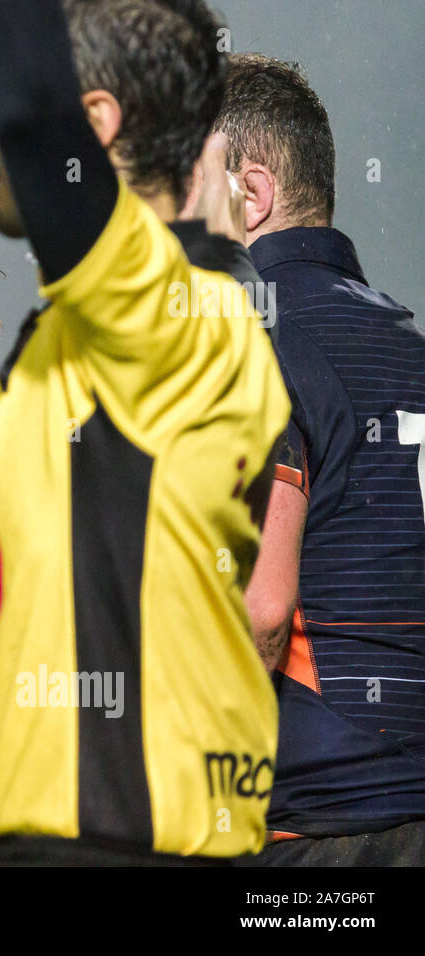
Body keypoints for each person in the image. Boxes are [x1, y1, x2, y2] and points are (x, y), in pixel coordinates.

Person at [0, 0, 290, 864]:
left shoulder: (155, 317)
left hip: (114, 841)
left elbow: (33, 115)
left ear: (94, 125)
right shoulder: (166, 313)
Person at [216, 54, 425, 865]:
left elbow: (261, 617)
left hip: (315, 829)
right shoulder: (409, 346)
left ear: (252, 194)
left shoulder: (245, 344)